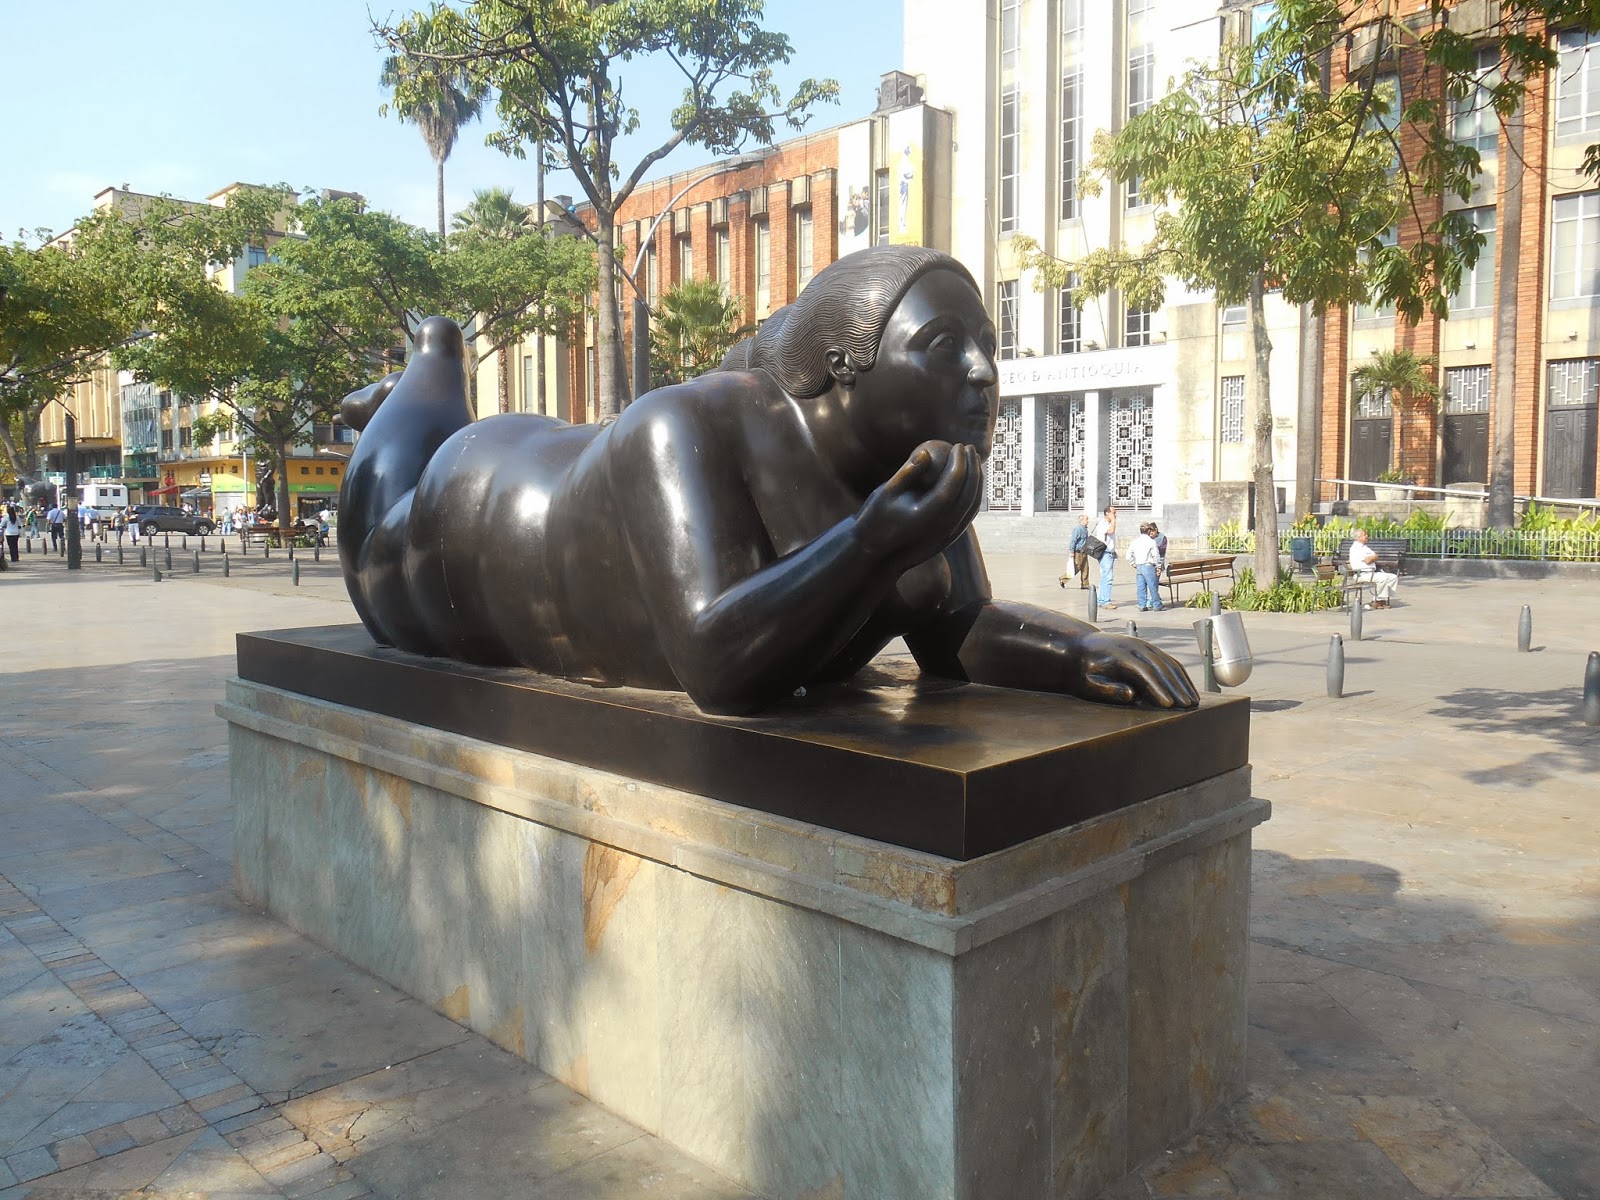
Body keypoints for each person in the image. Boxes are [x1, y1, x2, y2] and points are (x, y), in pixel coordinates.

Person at [338, 245, 1197, 716]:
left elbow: (952, 628)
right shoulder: (683, 427)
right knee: (375, 507)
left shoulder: (913, 476)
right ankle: (428, 361)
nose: (983, 374)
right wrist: (870, 543)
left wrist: (1073, 651)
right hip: (471, 516)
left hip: (539, 479)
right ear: (842, 368)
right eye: (944, 349)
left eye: (988, 350)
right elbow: (719, 666)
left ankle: (425, 373)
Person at [1348, 528, 1398, 608]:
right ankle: (1376, 601)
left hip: (1371, 573)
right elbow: (1368, 560)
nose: (1367, 536)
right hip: (1361, 574)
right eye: (1365, 535)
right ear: (1359, 537)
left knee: (1393, 577)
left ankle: (1380, 600)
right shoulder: (1355, 548)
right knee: (1382, 579)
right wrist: (1373, 558)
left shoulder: (1365, 547)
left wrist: (1373, 558)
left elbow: (1375, 556)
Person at [1127, 523, 1165, 612]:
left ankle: (1142, 605)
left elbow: (1128, 555)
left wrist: (1133, 563)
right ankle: (1157, 605)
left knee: (1141, 587)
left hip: (1139, 565)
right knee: (1153, 586)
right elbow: (1156, 556)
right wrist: (1158, 566)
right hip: (1148, 565)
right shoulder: (1151, 542)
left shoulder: (1135, 541)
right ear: (1148, 531)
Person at [1092, 505, 1118, 610]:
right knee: (1108, 577)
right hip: (1105, 553)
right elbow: (1111, 531)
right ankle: (1105, 601)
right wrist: (1113, 520)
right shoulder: (1104, 523)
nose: (1115, 514)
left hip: (1109, 552)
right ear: (1107, 513)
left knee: (1104, 576)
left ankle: (1101, 599)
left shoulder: (1107, 523)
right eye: (1114, 512)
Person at [1062, 514, 1090, 590]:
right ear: (1082, 520)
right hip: (1078, 552)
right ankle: (1063, 579)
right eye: (1086, 519)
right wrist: (1071, 551)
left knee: (1085, 568)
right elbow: (1073, 541)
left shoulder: (1085, 529)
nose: (1088, 521)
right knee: (1076, 568)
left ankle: (1085, 584)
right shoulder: (1078, 529)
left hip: (1084, 551)